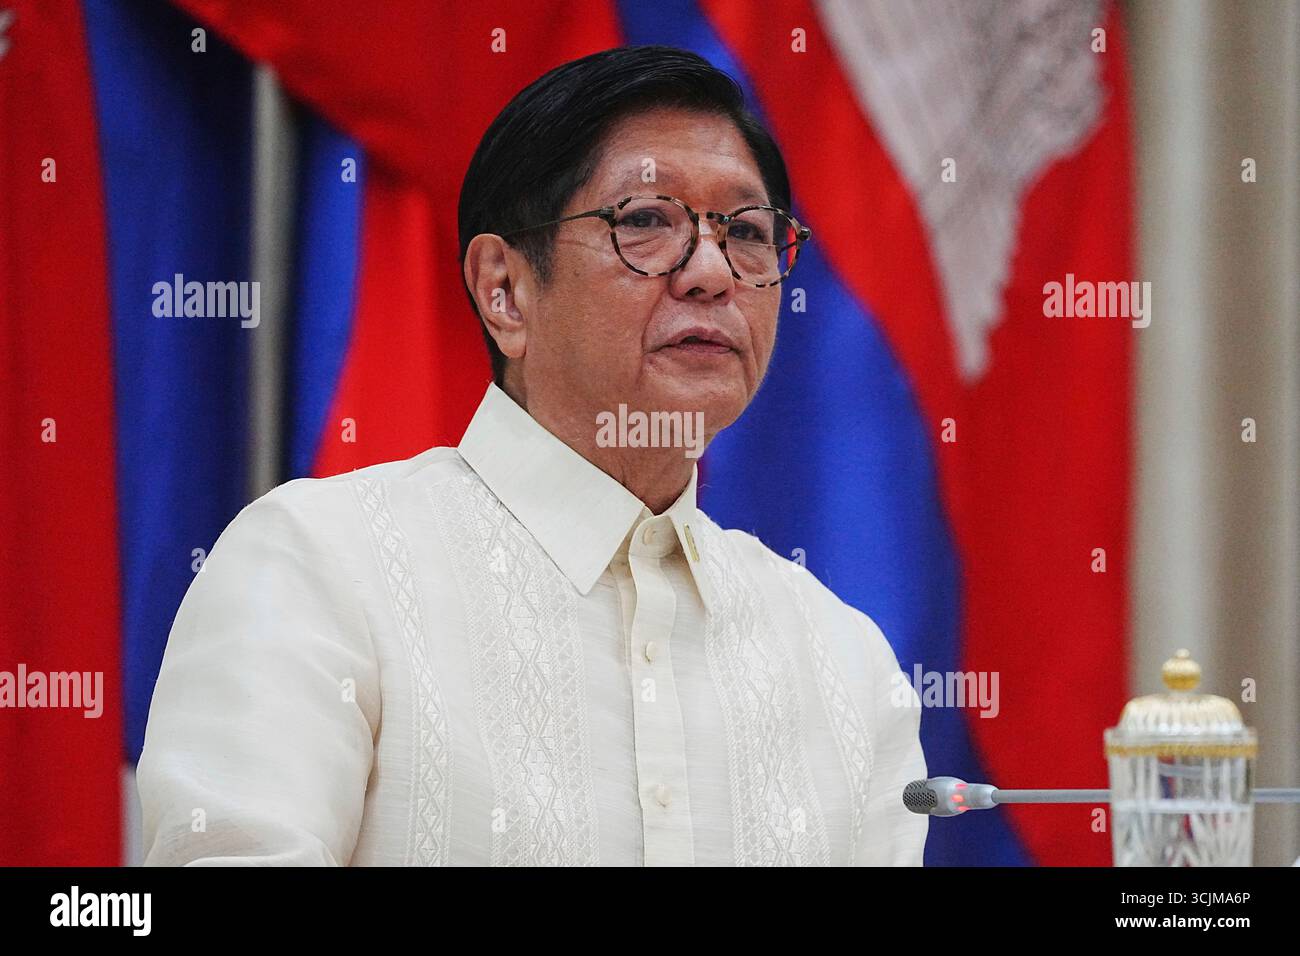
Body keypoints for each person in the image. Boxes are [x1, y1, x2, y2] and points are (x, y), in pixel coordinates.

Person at [137, 43, 928, 866]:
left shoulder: (843, 665)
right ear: (504, 291)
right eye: (647, 222)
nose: (710, 272)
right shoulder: (319, 566)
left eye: (750, 233)